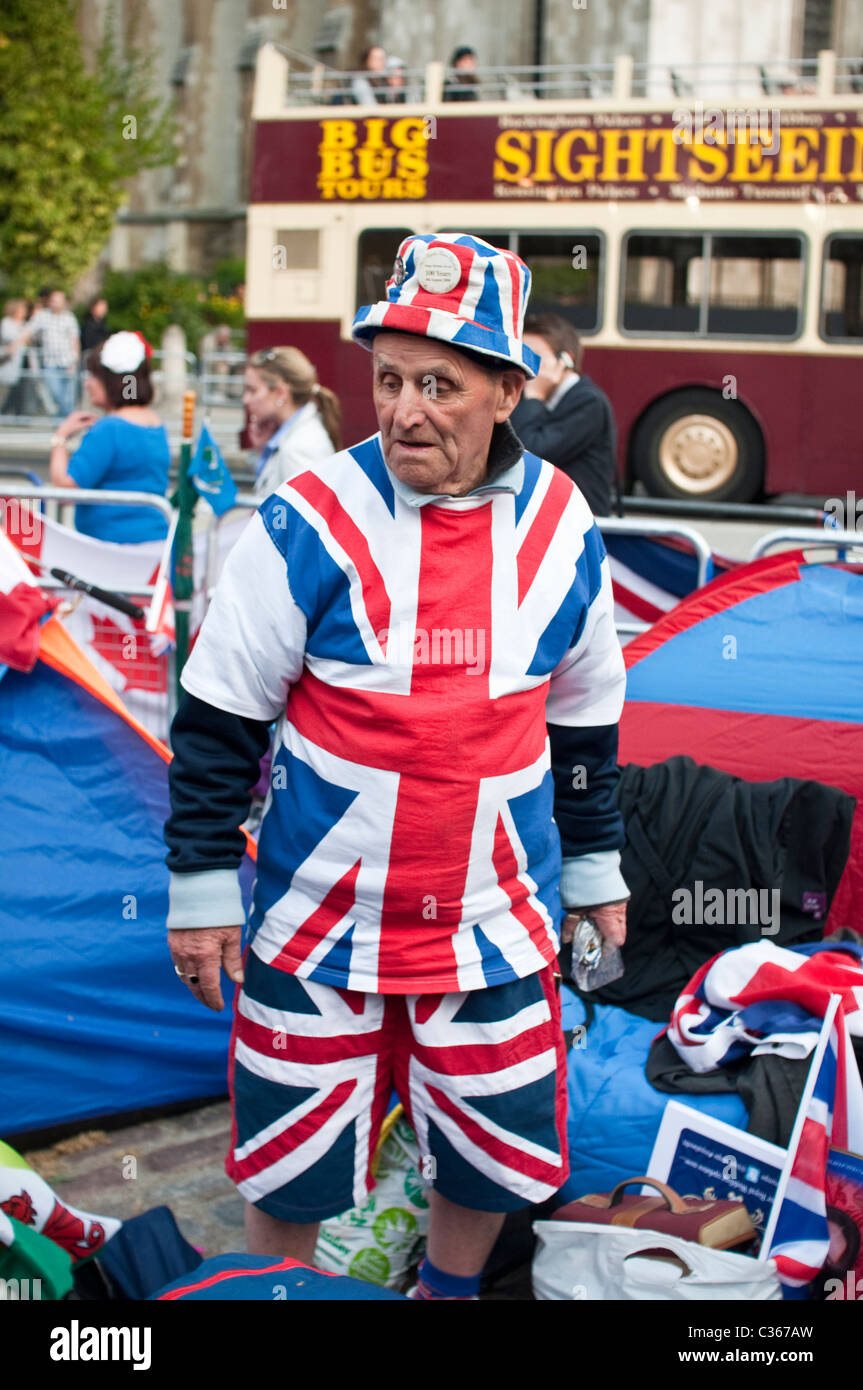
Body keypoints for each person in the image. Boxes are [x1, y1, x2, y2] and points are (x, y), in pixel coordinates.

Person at [164, 231, 628, 1301]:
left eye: (439, 383)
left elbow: (586, 720)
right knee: (291, 1157)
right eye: (386, 379)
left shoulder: (561, 523)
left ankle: (447, 1291)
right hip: (320, 916)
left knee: (489, 1144)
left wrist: (597, 868)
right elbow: (217, 716)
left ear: (507, 389)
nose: (405, 410)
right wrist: (196, 890)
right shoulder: (309, 519)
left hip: (492, 916)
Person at [48, 330, 170, 543]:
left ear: (111, 381)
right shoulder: (155, 424)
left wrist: (61, 438)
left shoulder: (109, 429)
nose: (87, 384)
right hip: (153, 544)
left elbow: (65, 491)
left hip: (110, 550)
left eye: (93, 376)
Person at [510, 312, 618, 517]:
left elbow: (529, 452)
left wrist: (534, 394)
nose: (526, 366)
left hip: (582, 521)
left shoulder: (588, 401)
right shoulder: (543, 398)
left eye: (534, 357)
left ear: (566, 359)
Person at [242, 346, 341, 497]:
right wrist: (263, 450)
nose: (246, 399)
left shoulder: (297, 449)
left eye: (252, 390)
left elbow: (308, 516)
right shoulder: (295, 436)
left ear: (281, 393)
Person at [29, 289, 81, 420]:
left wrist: (75, 360)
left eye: (59, 301)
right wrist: (14, 346)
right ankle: (70, 419)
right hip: (50, 362)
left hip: (67, 362)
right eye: (53, 300)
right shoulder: (42, 316)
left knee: (66, 396)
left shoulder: (69, 318)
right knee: (56, 393)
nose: (55, 304)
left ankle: (62, 421)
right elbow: (28, 331)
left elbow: (74, 340)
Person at [0, 299, 33, 416]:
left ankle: (17, 413)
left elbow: (28, 339)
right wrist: (23, 336)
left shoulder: (25, 324)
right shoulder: (7, 323)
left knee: (21, 388)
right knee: (12, 388)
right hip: (10, 360)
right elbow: (10, 339)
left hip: (24, 359)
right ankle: (9, 412)